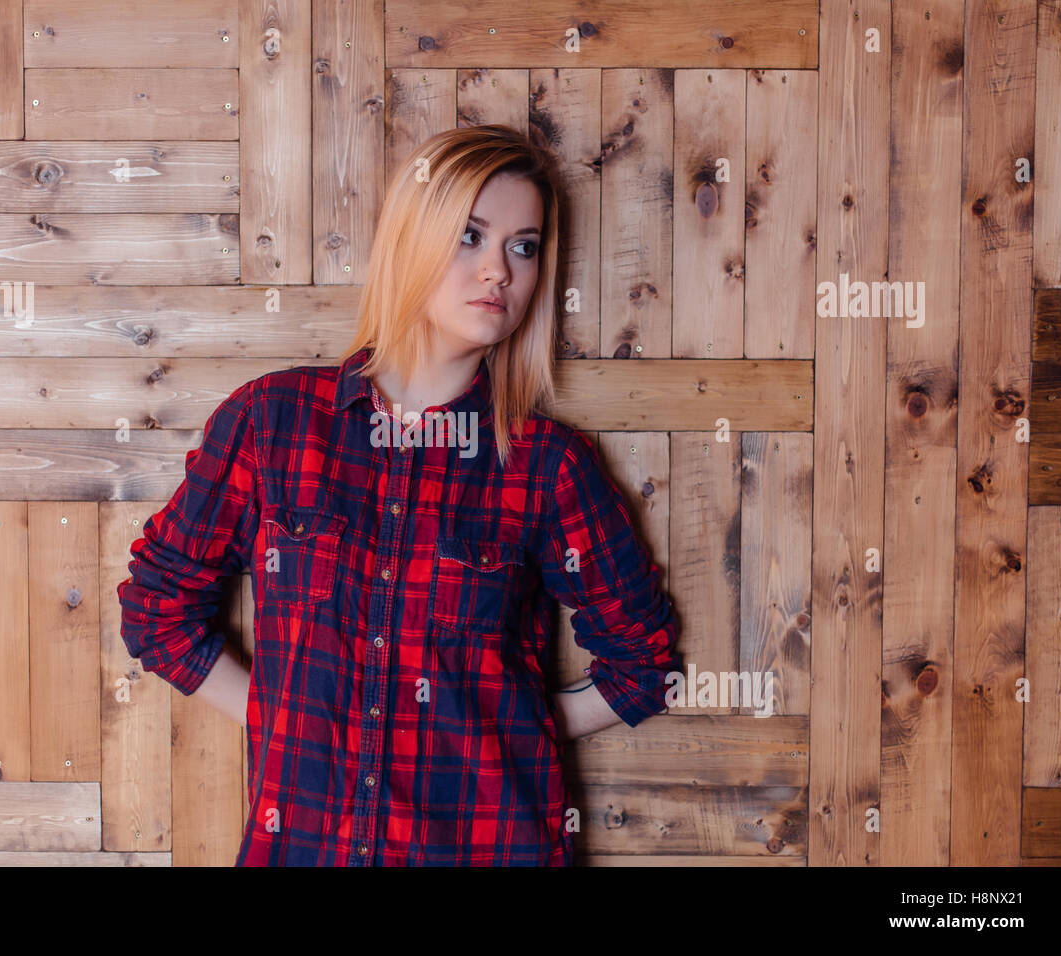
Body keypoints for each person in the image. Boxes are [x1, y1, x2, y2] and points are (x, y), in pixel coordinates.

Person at [117, 124, 681, 866]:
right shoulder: (271, 424)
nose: (499, 272)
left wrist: (517, 725)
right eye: (471, 236)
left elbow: (647, 667)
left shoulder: (547, 467)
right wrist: (280, 713)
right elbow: (158, 610)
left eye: (523, 246)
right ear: (413, 237)